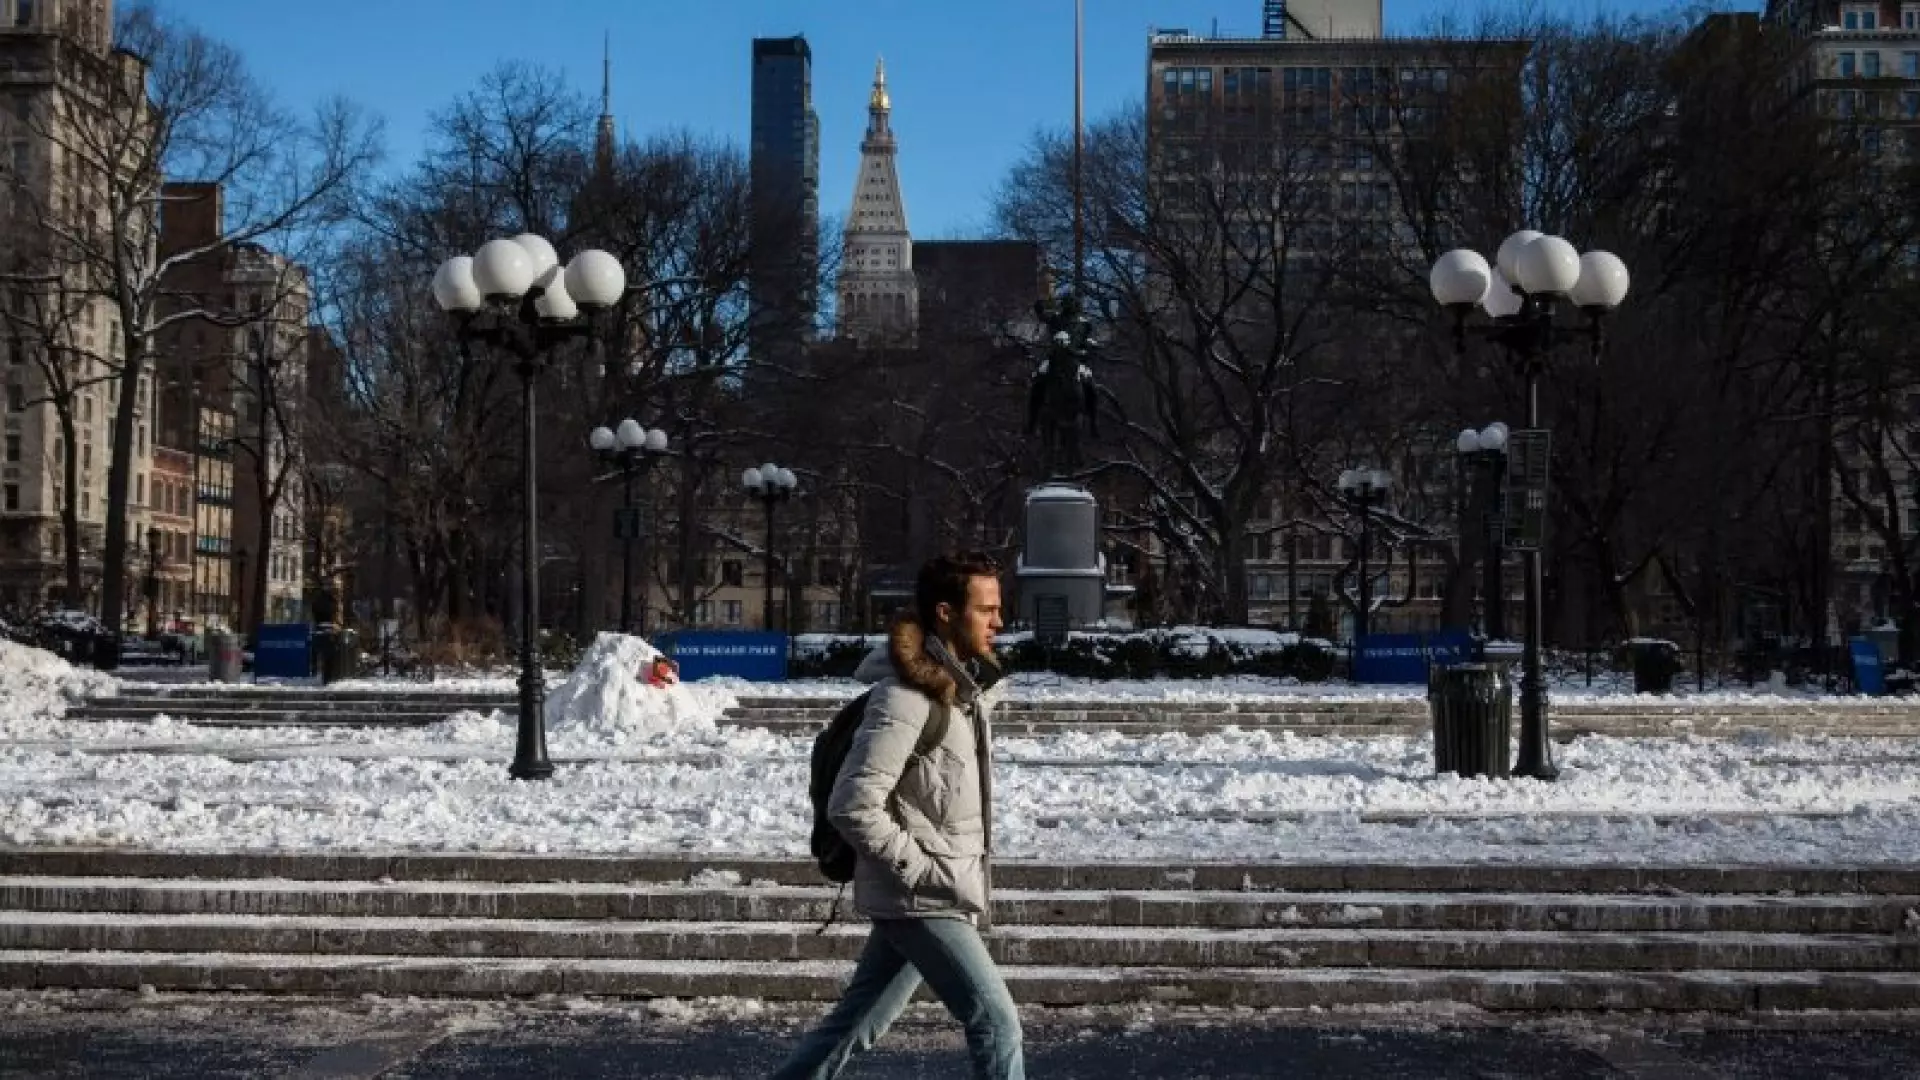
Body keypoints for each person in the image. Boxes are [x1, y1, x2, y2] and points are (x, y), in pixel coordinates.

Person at [771, 551, 1020, 1080]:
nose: (999, 621)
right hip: (924, 894)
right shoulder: (905, 698)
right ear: (947, 613)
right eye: (987, 609)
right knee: (997, 1023)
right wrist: (924, 872)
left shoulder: (961, 696)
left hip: (930, 888)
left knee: (858, 1021)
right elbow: (852, 804)